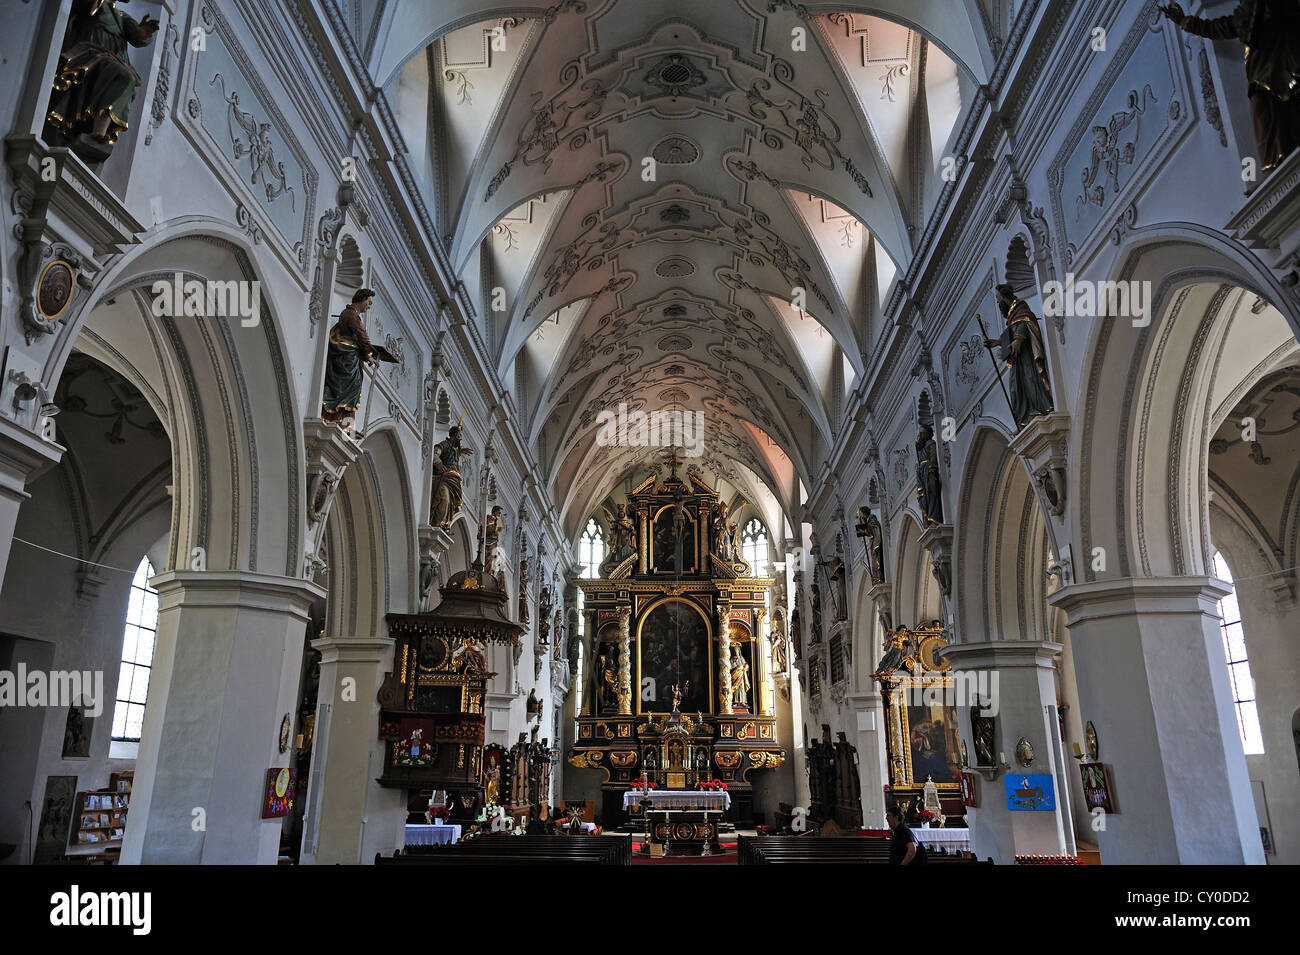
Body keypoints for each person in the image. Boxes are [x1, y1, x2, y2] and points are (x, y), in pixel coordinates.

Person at [1160, 1, 1300, 173]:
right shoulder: (1247, 13)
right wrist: (1184, 22)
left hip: (1287, 55)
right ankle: (1273, 168)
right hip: (1261, 68)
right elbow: (1221, 27)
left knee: (1285, 102)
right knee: (1262, 110)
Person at [46, 0, 160, 159]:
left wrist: (144, 32)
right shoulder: (98, 4)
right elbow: (85, 7)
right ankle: (98, 131)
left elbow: (138, 37)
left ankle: (97, 132)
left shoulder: (121, 16)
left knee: (123, 82)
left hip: (112, 59)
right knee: (124, 77)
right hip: (91, 53)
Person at [322, 288, 378, 433]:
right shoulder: (351, 315)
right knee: (349, 391)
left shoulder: (348, 313)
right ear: (362, 299)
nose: (369, 306)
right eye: (369, 302)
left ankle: (345, 424)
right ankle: (345, 425)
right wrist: (369, 355)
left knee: (348, 392)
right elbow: (362, 334)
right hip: (347, 360)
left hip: (347, 357)